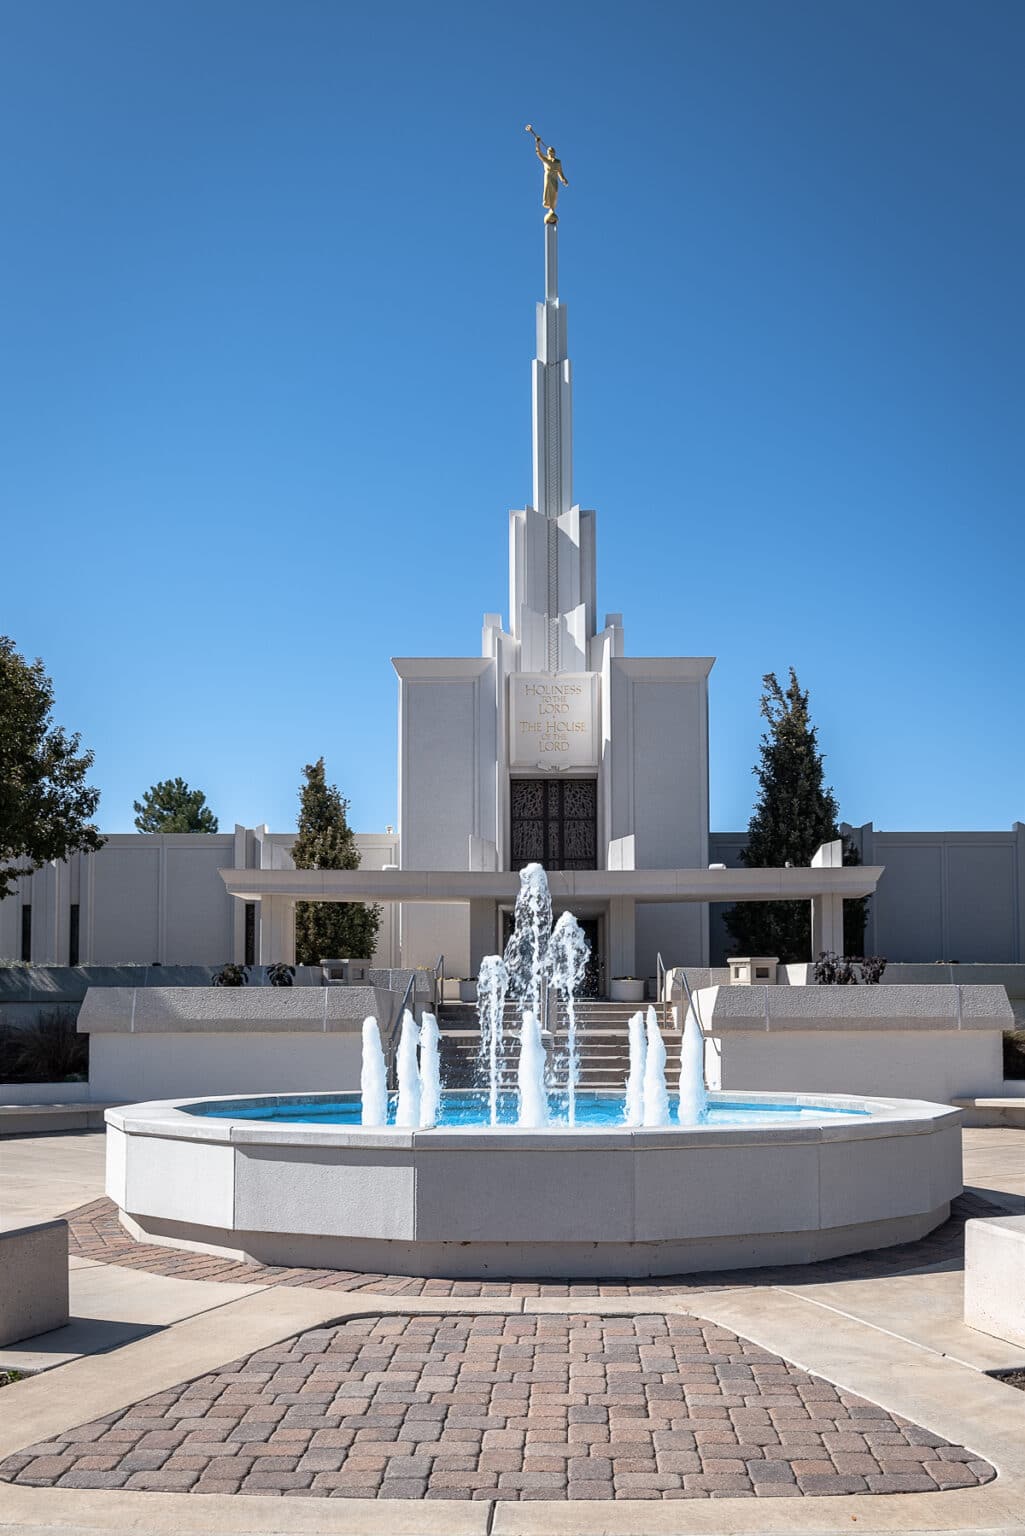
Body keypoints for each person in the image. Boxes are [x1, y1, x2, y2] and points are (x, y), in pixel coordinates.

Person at [535, 138, 568, 219]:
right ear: (548, 152)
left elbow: (560, 172)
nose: (552, 153)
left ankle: (552, 208)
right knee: (548, 191)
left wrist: (563, 179)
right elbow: (539, 153)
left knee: (555, 192)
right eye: (550, 152)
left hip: (555, 178)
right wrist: (538, 143)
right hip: (548, 177)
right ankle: (550, 208)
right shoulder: (546, 159)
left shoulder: (558, 162)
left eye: (553, 152)